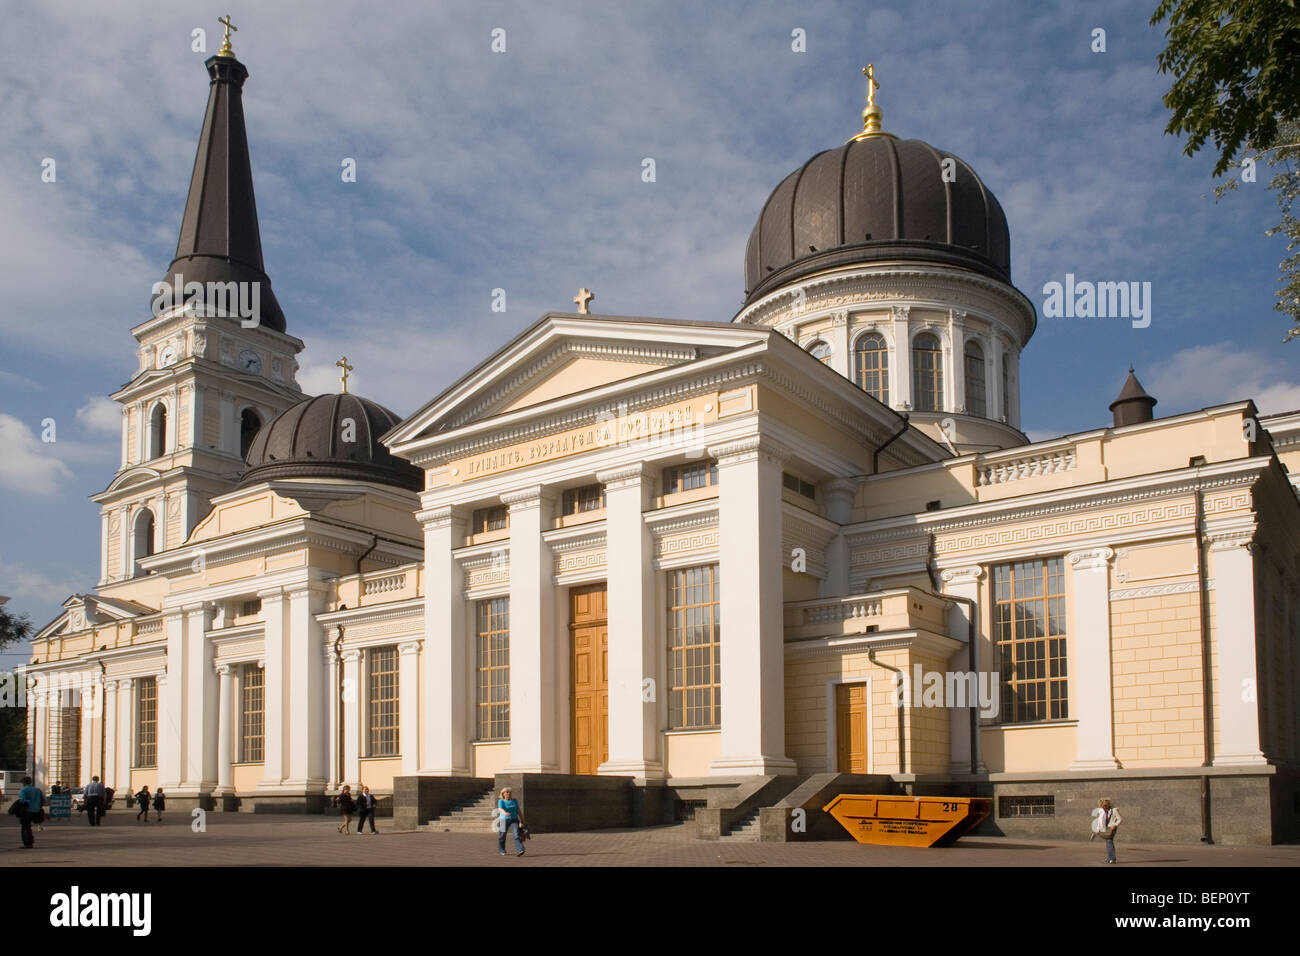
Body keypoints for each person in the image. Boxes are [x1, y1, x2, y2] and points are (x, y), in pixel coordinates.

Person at [1090, 797, 1122, 863]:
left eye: (1105, 805)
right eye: (1102, 805)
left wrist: (1115, 825)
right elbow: (1100, 821)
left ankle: (1112, 859)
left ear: (1108, 804)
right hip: (1105, 829)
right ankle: (1110, 858)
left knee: (1109, 842)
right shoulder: (1102, 811)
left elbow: (1120, 819)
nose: (1103, 806)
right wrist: (1098, 829)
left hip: (1111, 828)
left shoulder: (1114, 810)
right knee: (1108, 842)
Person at [496, 787, 525, 857]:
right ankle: (502, 850)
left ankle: (520, 850)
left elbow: (518, 810)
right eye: (507, 792)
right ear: (503, 794)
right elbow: (500, 809)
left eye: (509, 792)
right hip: (503, 820)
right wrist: (504, 812)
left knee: (516, 835)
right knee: (502, 836)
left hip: (514, 820)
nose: (508, 793)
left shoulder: (514, 800)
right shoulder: (501, 801)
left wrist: (522, 819)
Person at [16, 776, 43, 849]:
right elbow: (43, 800)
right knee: (29, 827)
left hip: (27, 811)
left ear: (23, 783)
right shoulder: (38, 790)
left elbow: (22, 800)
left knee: (25, 827)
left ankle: (27, 843)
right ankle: (30, 842)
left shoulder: (23, 790)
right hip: (36, 811)